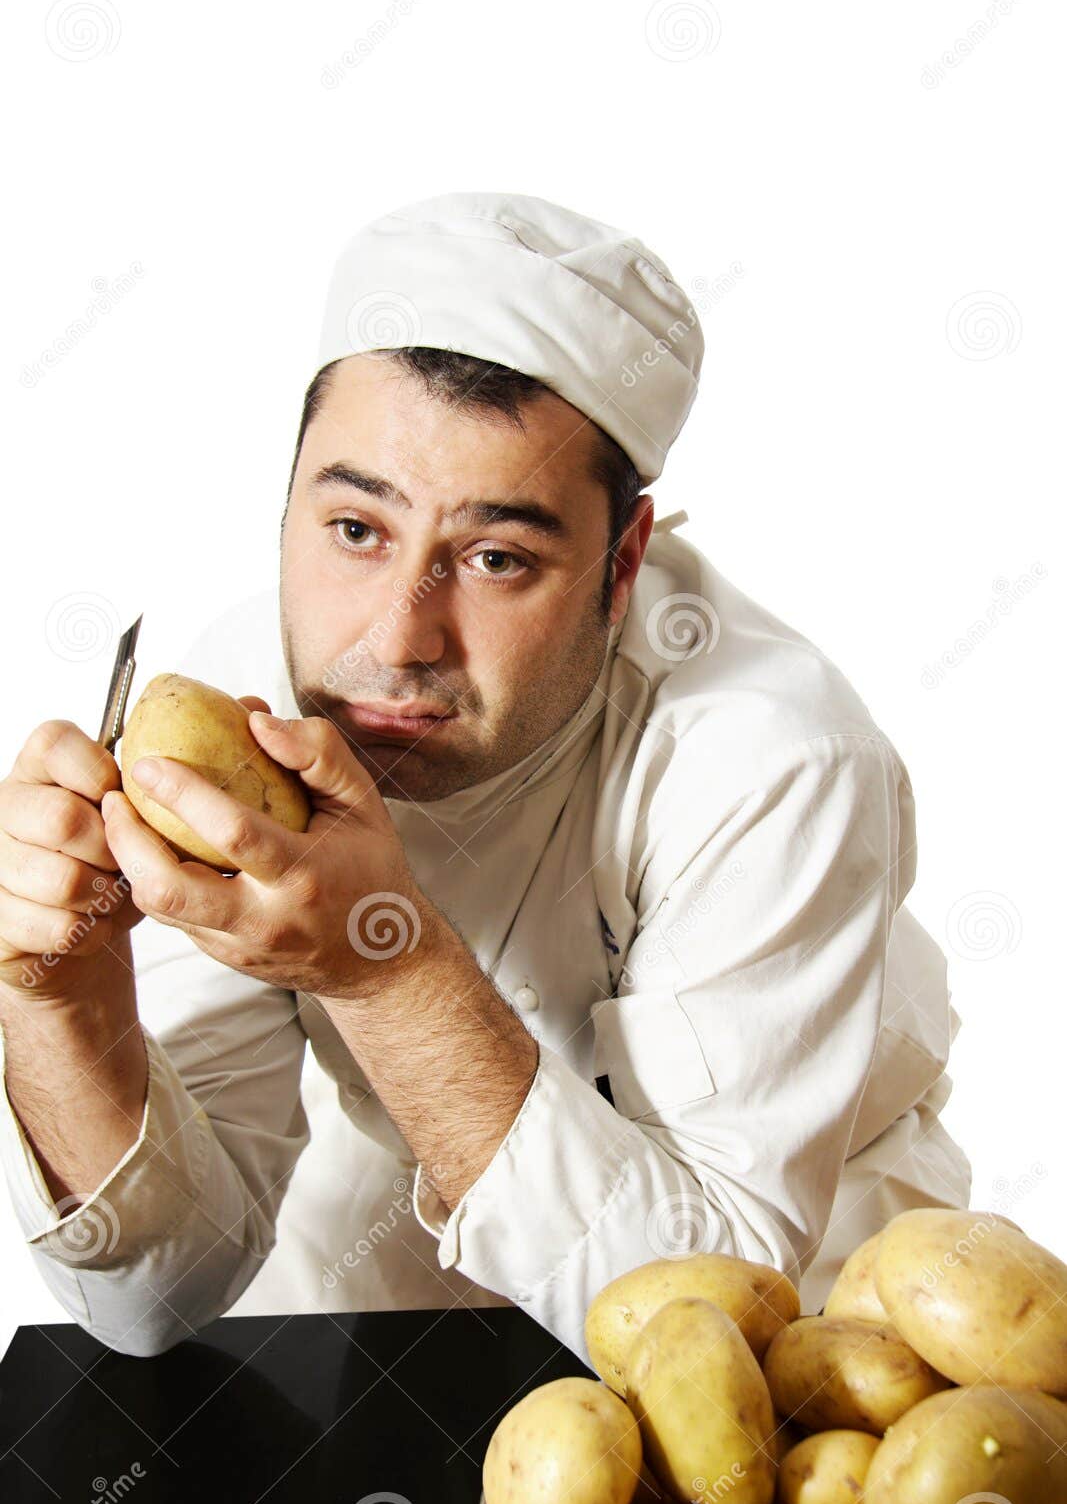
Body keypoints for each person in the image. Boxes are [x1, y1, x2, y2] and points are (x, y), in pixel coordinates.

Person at [0, 192, 969, 1360]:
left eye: (495, 557)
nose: (398, 639)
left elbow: (703, 1328)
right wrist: (55, 1001)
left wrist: (382, 962)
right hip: (383, 1274)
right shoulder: (234, 706)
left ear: (621, 568)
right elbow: (156, 1298)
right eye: (356, 529)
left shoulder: (774, 763)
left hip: (805, 1313)